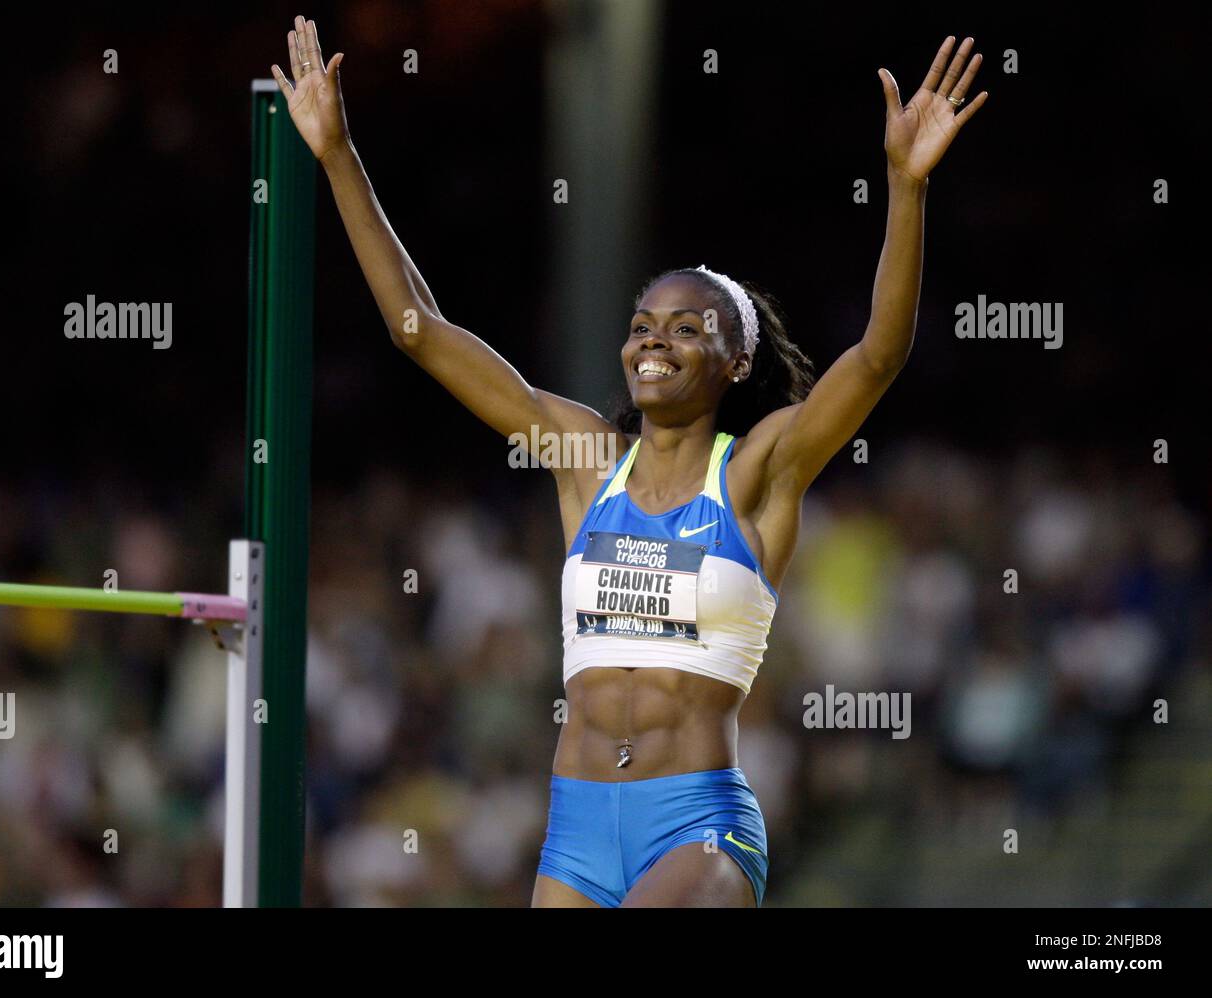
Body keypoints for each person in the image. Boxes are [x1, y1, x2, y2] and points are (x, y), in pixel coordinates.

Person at [272, 16, 987, 907]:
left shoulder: (759, 470)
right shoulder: (585, 460)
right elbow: (418, 332)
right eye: (644, 326)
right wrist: (338, 153)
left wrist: (905, 186)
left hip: (697, 824)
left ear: (735, 363)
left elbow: (877, 357)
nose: (655, 343)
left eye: (688, 329)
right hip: (575, 828)